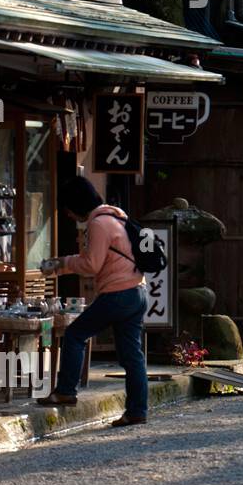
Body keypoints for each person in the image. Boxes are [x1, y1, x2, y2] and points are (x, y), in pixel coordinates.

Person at [35, 176, 149, 427]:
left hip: (118, 294)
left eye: (67, 209)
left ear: (75, 205)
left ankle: (66, 391)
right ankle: (137, 411)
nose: (68, 215)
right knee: (132, 356)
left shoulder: (98, 223)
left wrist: (61, 264)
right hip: (137, 292)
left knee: (75, 334)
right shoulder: (117, 216)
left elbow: (91, 264)